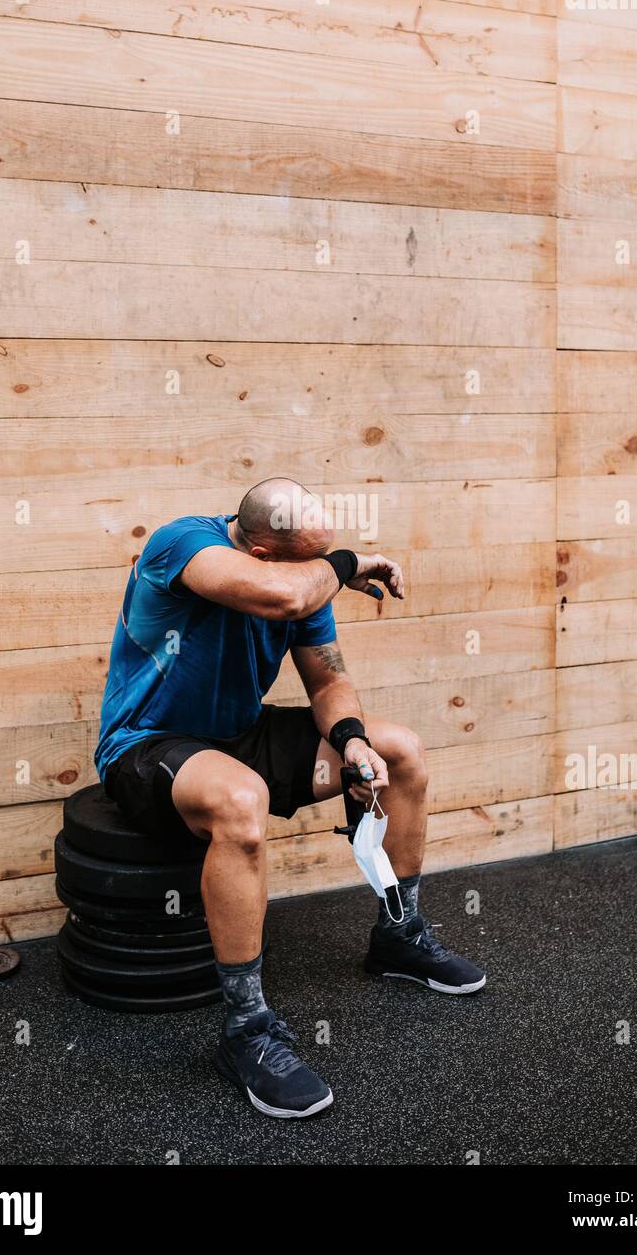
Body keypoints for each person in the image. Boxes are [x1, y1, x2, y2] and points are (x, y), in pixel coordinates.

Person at [94, 478, 485, 1119]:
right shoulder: (181, 543)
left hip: (240, 736)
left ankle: (399, 932)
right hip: (147, 743)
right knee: (242, 800)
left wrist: (353, 742)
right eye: (308, 560)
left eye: (324, 555)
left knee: (400, 751)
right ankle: (246, 1029)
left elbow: (328, 678)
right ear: (263, 554)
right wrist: (349, 565)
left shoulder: (305, 581)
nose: (320, 570)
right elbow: (282, 597)